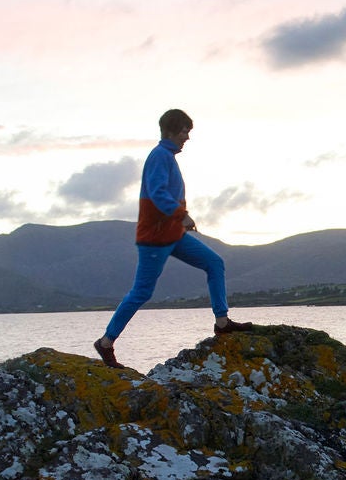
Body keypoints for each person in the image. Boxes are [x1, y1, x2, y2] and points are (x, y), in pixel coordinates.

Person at [93, 108, 251, 367]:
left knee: (214, 263)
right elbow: (156, 193)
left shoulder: (168, 157)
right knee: (141, 292)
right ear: (170, 131)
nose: (187, 137)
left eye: (188, 131)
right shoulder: (159, 157)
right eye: (184, 131)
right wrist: (182, 215)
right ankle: (105, 343)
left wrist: (178, 222)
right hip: (155, 237)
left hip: (173, 235)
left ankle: (222, 323)